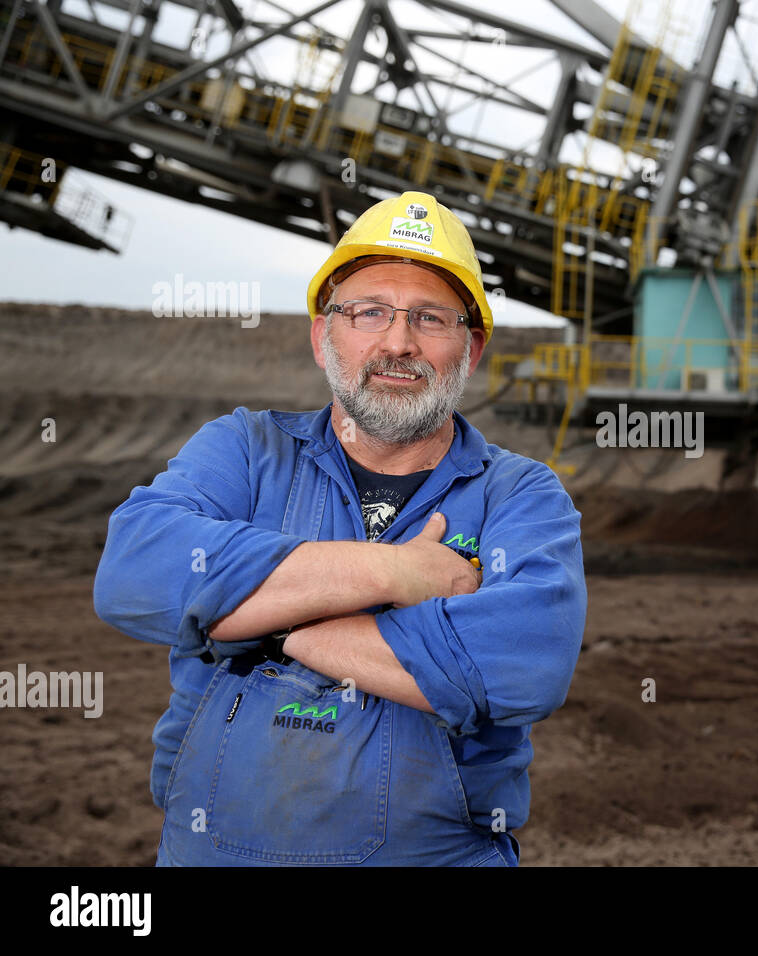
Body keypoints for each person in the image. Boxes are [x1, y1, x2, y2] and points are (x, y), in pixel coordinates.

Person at [94, 190, 587, 866]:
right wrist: (394, 575)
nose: (397, 342)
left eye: (429, 318)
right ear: (323, 335)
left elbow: (523, 666)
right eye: (368, 312)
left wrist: (267, 623)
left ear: (469, 348)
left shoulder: (519, 495)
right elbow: (133, 573)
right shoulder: (245, 449)